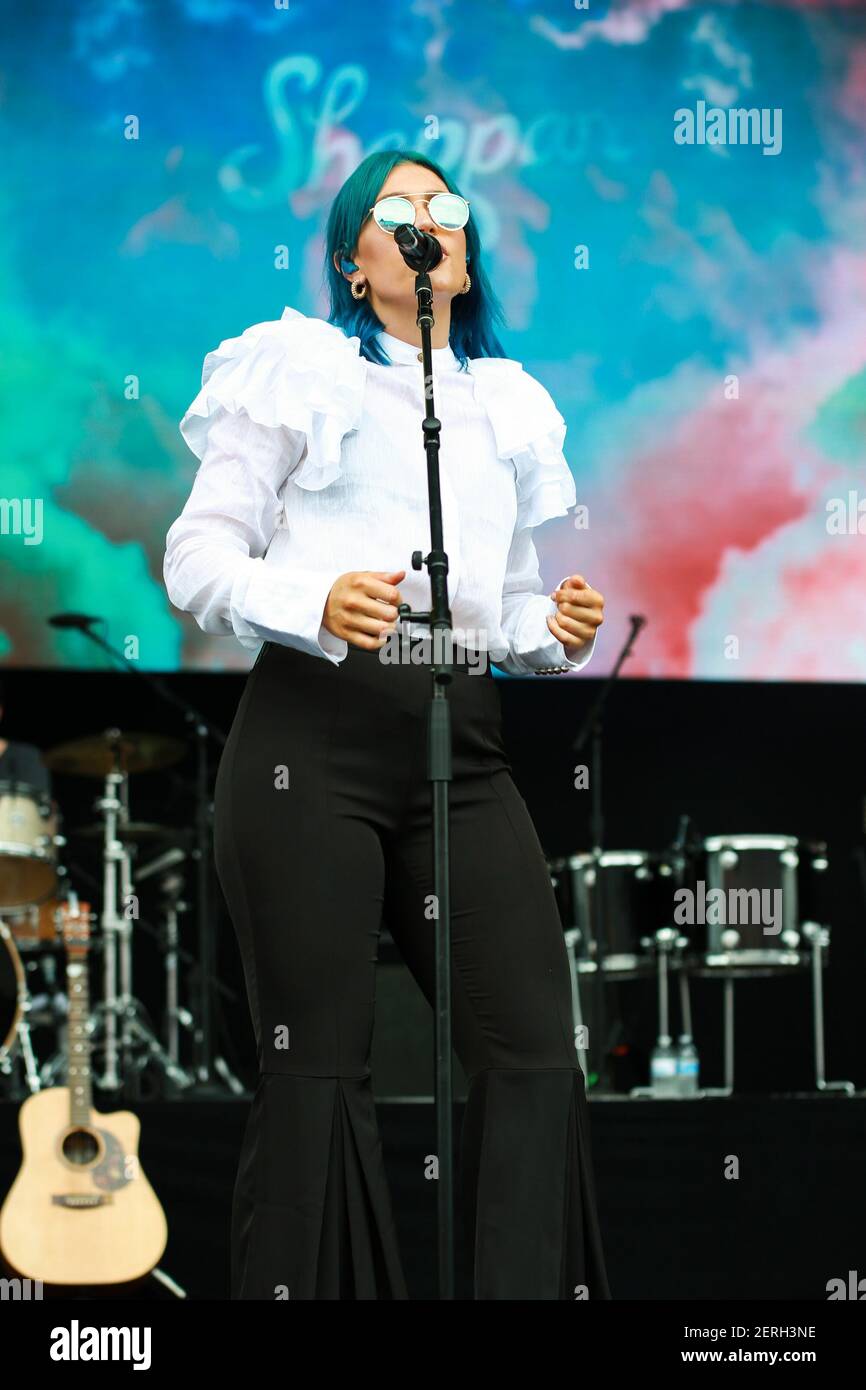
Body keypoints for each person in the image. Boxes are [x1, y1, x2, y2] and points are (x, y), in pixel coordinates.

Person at [164, 149, 610, 1300]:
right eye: (399, 208)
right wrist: (308, 600)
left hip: (460, 736)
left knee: (530, 1051)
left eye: (446, 210)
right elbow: (197, 558)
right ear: (353, 261)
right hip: (314, 737)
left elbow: (499, 606)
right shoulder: (297, 370)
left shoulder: (502, 402)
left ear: (464, 256)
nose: (431, 223)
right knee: (312, 1067)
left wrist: (548, 624)